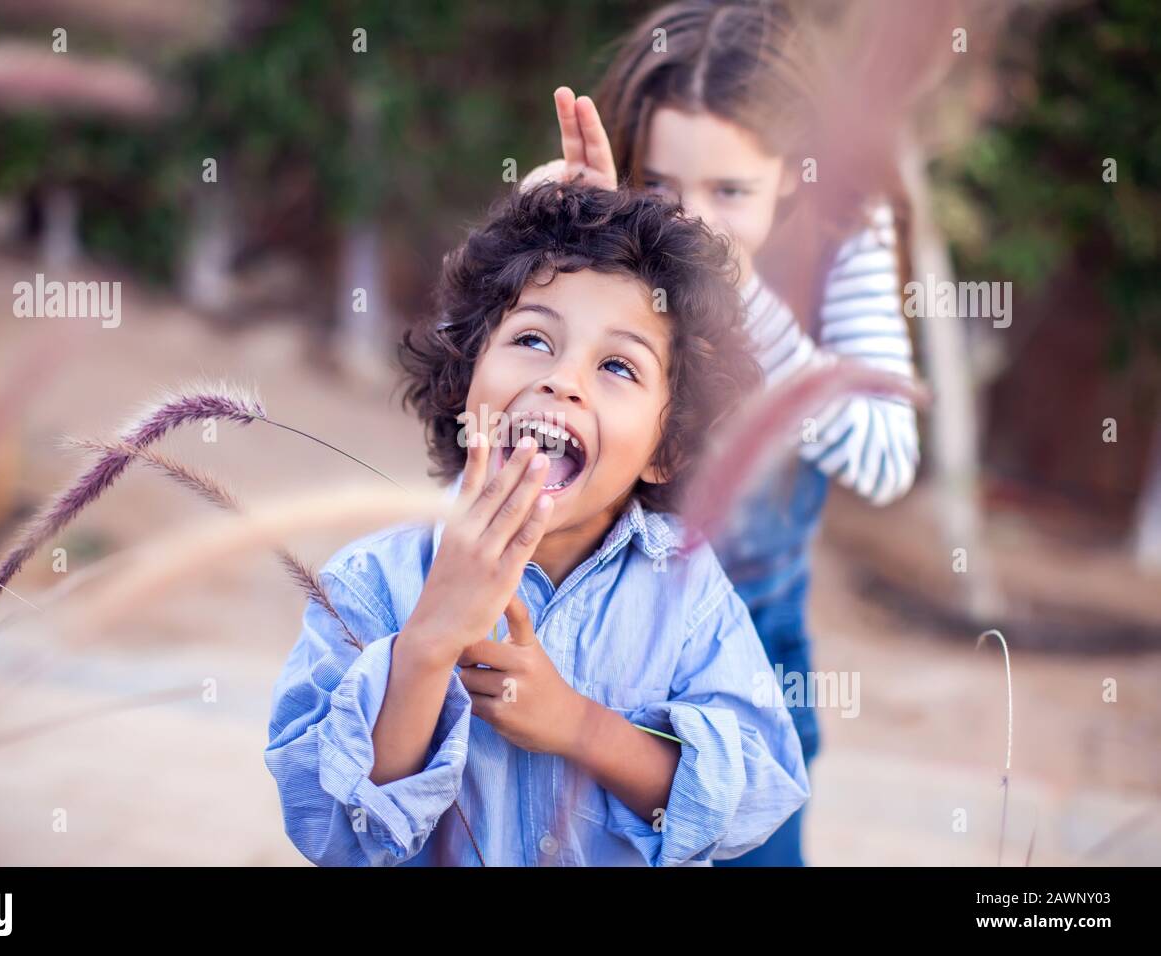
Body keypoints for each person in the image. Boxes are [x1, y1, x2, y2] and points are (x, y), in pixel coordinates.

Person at [264, 183, 809, 866]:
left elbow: (756, 795)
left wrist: (581, 727)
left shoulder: (687, 592)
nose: (564, 380)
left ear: (667, 450)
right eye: (532, 338)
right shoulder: (373, 581)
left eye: (617, 365)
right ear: (468, 382)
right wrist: (429, 643)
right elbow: (336, 834)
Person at [520, 0, 922, 865]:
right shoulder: (612, 225)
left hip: (753, 662)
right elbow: (492, 409)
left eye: (730, 191)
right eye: (660, 187)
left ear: (794, 175)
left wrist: (754, 306)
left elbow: (887, 459)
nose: (690, 221)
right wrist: (546, 242)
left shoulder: (841, 235)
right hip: (583, 647)